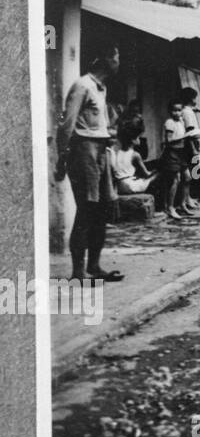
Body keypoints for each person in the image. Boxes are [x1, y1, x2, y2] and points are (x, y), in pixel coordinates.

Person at [56, 42, 123, 282]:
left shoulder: (100, 88)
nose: (119, 63)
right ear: (106, 59)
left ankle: (94, 266)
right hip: (84, 152)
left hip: (101, 152)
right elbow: (66, 125)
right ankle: (77, 272)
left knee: (102, 210)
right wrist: (61, 159)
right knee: (86, 209)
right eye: (116, 57)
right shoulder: (82, 85)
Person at [159, 99, 189, 220]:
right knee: (175, 180)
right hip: (172, 153)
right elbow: (169, 140)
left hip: (181, 152)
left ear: (182, 111)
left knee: (187, 177)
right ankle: (170, 207)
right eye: (174, 110)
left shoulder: (181, 122)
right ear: (170, 111)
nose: (177, 113)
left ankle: (182, 203)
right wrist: (183, 137)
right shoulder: (169, 123)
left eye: (179, 110)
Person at [110, 121, 156, 196]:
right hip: (130, 187)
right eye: (138, 137)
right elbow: (147, 174)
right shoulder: (135, 155)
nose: (139, 139)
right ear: (132, 140)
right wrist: (156, 171)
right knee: (158, 176)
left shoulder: (116, 152)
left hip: (119, 186)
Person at [177, 87, 200, 214]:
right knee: (191, 172)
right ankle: (187, 198)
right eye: (194, 97)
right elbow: (190, 131)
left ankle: (189, 198)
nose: (195, 100)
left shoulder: (188, 111)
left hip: (192, 143)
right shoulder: (187, 112)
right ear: (190, 98)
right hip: (189, 145)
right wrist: (193, 148)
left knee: (192, 172)